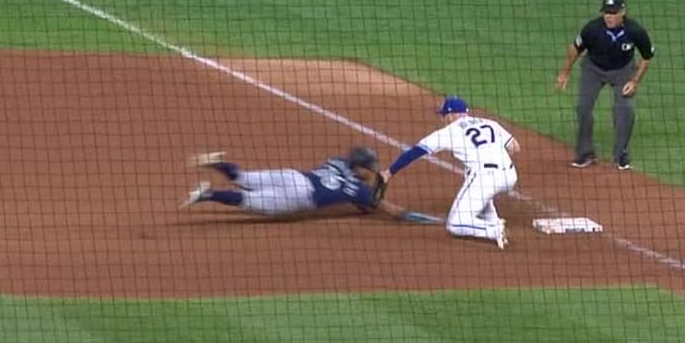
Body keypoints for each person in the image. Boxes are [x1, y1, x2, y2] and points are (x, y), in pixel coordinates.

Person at [380, 96, 519, 249]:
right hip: (510, 176)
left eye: (444, 116)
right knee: (472, 178)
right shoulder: (491, 123)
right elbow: (514, 146)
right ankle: (492, 220)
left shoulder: (449, 132)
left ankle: (493, 230)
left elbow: (415, 152)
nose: (443, 119)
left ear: (451, 115)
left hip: (485, 179)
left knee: (455, 223)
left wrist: (389, 172)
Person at [180, 147, 434, 223]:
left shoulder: (334, 161)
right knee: (248, 202)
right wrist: (428, 219)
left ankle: (218, 164)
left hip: (294, 176)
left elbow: (363, 202)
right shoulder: (359, 190)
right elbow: (392, 210)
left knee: (244, 179)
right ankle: (209, 194)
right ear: (362, 168)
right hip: (300, 197)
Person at [555, 0, 655, 170]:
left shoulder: (635, 31)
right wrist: (564, 72)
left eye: (613, 12)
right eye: (606, 12)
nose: (609, 16)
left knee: (625, 109)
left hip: (623, 70)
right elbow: (575, 48)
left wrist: (634, 81)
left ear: (623, 11)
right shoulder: (593, 28)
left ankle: (621, 153)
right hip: (593, 69)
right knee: (583, 107)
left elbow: (647, 57)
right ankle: (586, 154)